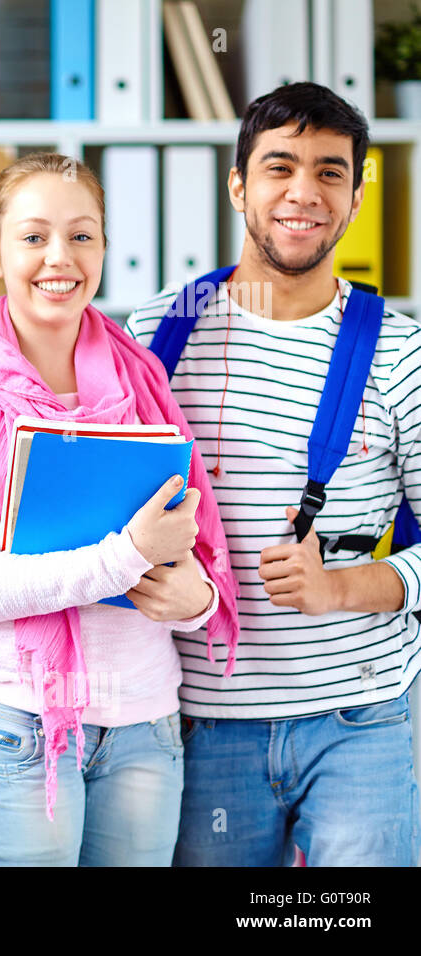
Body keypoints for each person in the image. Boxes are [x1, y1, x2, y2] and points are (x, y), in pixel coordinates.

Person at [0, 152, 239, 866]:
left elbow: (187, 558)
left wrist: (196, 597)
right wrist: (126, 555)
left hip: (147, 722)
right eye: (33, 237)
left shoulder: (145, 377)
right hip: (18, 725)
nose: (59, 257)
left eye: (81, 235)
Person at [126, 82, 421, 866]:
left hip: (361, 719)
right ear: (238, 185)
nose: (303, 192)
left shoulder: (398, 351)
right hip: (195, 720)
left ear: (357, 198)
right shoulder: (160, 330)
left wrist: (340, 589)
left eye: (330, 172)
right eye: (279, 166)